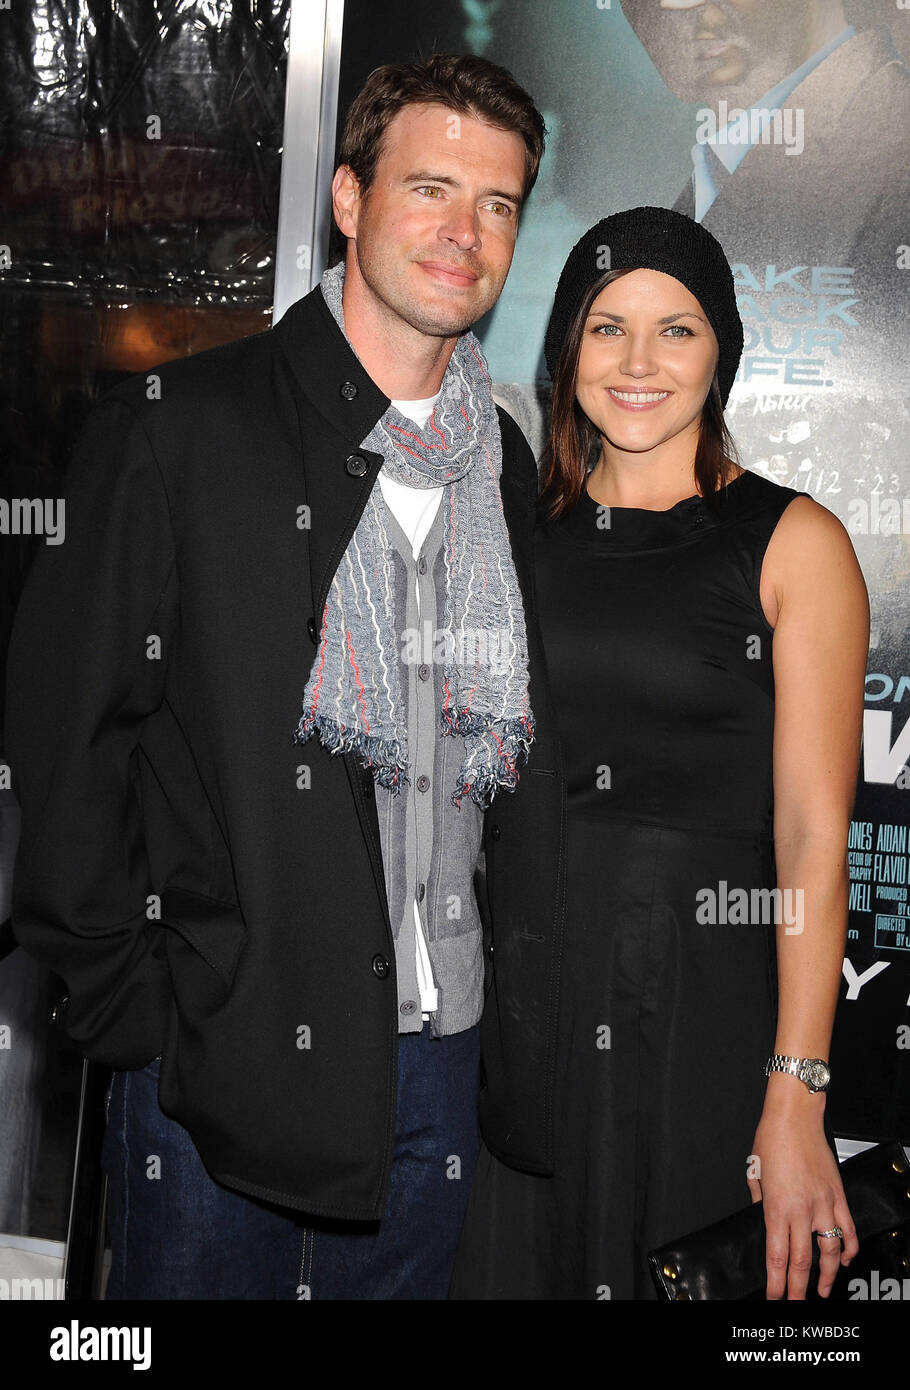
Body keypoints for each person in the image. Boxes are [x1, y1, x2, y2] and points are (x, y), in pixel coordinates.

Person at [3, 54, 568, 1300]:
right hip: (225, 1056)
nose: (464, 233)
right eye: (430, 189)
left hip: (444, 1062)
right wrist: (137, 1009)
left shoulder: (500, 462)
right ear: (349, 199)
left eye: (498, 203)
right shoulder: (185, 428)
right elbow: (67, 737)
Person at [451, 206, 869, 1300]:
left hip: (704, 1013)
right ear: (565, 351)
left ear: (720, 350)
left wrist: (796, 1092)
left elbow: (811, 836)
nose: (638, 363)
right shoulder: (509, 540)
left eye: (676, 330)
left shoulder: (792, 542)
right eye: (606, 328)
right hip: (527, 1004)